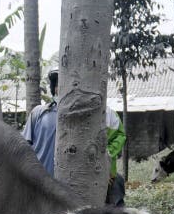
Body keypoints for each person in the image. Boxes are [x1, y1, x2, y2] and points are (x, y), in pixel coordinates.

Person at [22, 69, 127, 206]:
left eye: (75, 83)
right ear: (55, 88)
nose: (70, 87)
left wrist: (105, 154)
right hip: (42, 185)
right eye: (61, 83)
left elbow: (119, 135)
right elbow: (25, 148)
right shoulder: (39, 113)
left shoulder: (103, 113)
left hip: (85, 185)